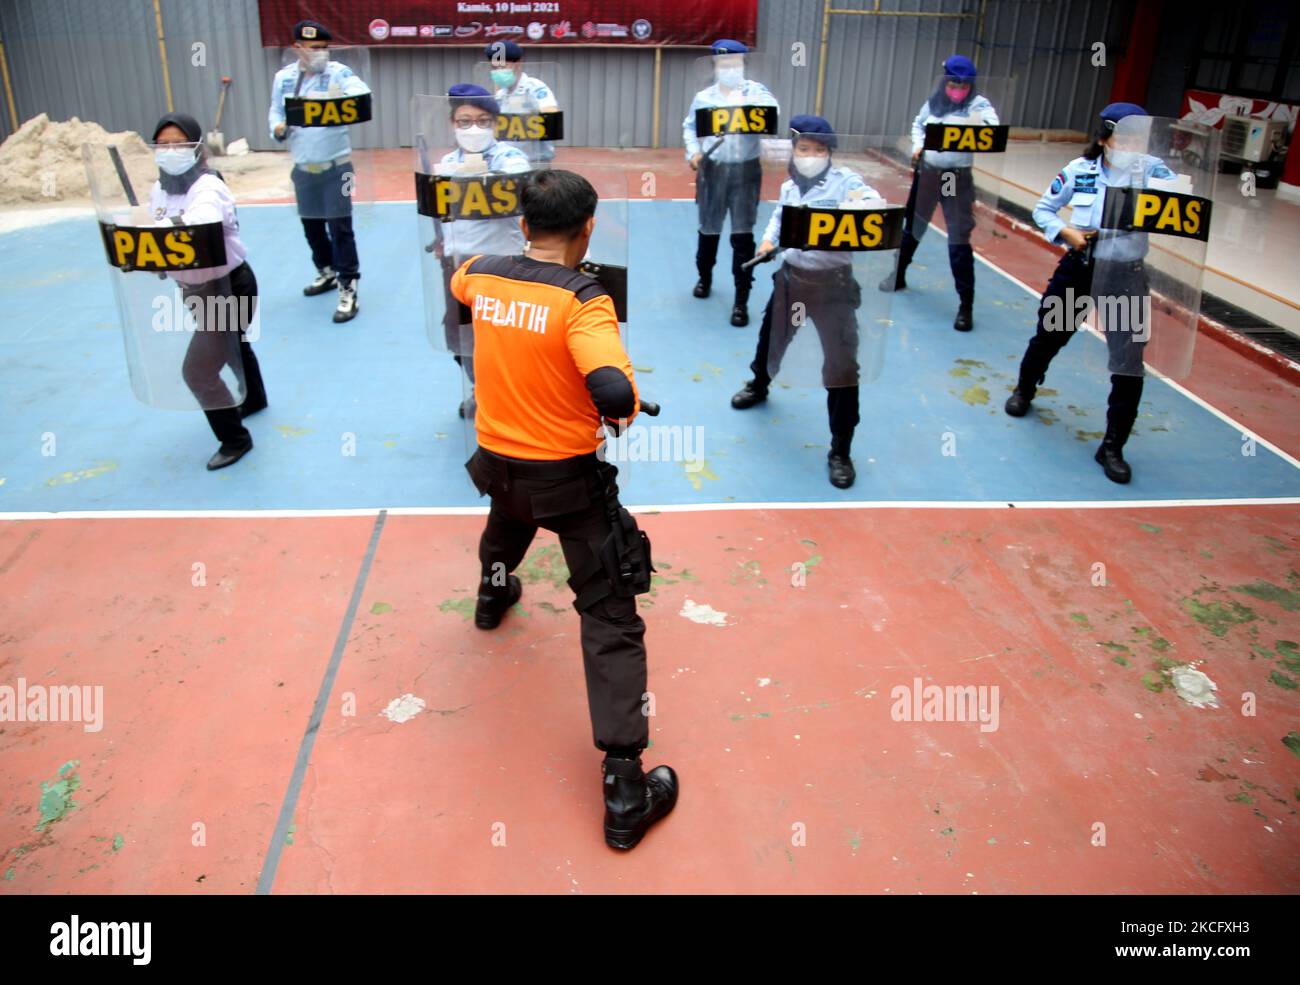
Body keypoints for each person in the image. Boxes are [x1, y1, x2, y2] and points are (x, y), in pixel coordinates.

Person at [450, 169, 678, 851]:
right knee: (610, 614)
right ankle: (625, 790)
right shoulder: (586, 300)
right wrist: (622, 402)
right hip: (566, 479)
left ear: (523, 226)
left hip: (498, 461)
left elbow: (462, 282)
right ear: (587, 229)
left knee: (507, 524)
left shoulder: (480, 274)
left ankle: (493, 599)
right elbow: (610, 385)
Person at [1004, 103, 1176, 484]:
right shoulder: (1079, 172)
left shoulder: (1154, 172)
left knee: (1128, 364)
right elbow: (1044, 209)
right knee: (1049, 337)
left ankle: (1112, 446)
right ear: (1104, 138)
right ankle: (1024, 389)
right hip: (1080, 269)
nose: (1131, 145)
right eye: (1123, 137)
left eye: (1137, 137)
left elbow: (1181, 203)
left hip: (1125, 279)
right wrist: (1066, 233)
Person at [730, 116, 877, 489]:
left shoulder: (848, 184)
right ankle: (759, 383)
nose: (810, 155)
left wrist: (838, 218)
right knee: (771, 341)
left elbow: (873, 209)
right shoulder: (790, 185)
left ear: (830, 152)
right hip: (793, 281)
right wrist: (767, 243)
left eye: (819, 149)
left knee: (842, 369)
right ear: (794, 151)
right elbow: (781, 219)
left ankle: (841, 449)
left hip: (835, 289)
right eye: (803, 149)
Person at [151, 113, 267, 470]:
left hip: (227, 286)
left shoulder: (208, 186)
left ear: (197, 147)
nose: (171, 151)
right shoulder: (159, 189)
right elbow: (156, 235)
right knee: (233, 342)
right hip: (195, 289)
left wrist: (156, 234)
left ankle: (235, 440)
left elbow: (201, 223)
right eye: (163, 144)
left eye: (180, 143)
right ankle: (255, 399)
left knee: (198, 371)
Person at [880, 54, 999, 332]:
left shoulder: (980, 106)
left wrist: (972, 124)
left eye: (963, 85)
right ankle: (898, 274)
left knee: (958, 239)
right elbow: (918, 125)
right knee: (914, 227)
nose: (958, 89)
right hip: (930, 173)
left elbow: (992, 131)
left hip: (957, 178)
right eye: (953, 84)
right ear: (945, 82)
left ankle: (965, 305)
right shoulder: (933, 103)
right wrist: (918, 146)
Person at [435, 83, 533, 418]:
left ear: (494, 123)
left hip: (502, 268)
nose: (473, 128)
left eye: (481, 120)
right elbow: (441, 215)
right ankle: (482, 389)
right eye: (464, 121)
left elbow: (516, 185)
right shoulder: (443, 164)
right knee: (458, 339)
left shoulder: (511, 159)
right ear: (452, 124)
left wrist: (476, 173)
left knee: (508, 340)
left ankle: (509, 397)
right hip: (458, 269)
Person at [268, 19, 371, 323]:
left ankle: (348, 286)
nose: (321, 54)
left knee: (340, 227)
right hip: (303, 167)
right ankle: (325, 271)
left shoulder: (339, 73)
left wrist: (344, 96)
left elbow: (361, 93)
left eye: (325, 48)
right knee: (311, 226)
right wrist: (276, 126)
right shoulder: (284, 78)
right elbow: (276, 108)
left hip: (337, 168)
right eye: (314, 48)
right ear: (297, 48)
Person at [682, 39, 779, 326]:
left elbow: (772, 115)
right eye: (724, 64)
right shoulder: (704, 97)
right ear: (715, 66)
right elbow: (689, 126)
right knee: (708, 231)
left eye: (735, 63)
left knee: (742, 236)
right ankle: (704, 277)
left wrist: (749, 105)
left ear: (743, 65)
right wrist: (694, 152)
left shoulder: (758, 93)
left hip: (745, 173)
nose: (729, 69)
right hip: (712, 171)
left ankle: (740, 301)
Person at [484, 40, 559, 162]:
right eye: (494, 67)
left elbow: (550, 114)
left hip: (534, 162)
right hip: (507, 161)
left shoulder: (534, 88)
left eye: (503, 66)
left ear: (518, 63)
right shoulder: (500, 95)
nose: (498, 71)